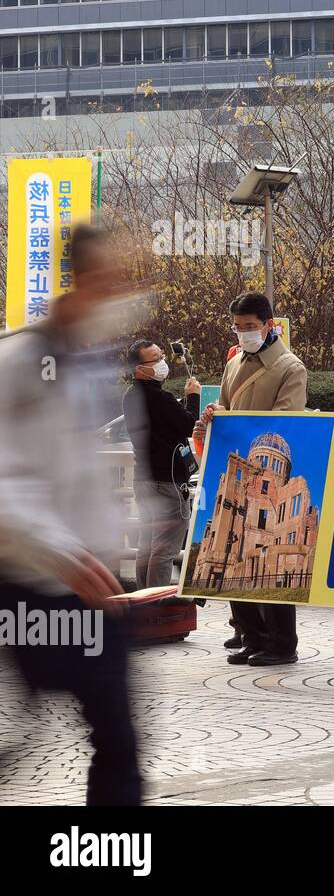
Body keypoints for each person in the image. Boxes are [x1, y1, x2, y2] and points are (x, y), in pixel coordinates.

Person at [0, 222, 141, 805]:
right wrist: (59, 552)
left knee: (117, 741)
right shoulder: (19, 361)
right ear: (73, 285)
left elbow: (83, 472)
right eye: (103, 282)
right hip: (33, 588)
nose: (113, 297)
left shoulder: (83, 365)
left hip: (91, 589)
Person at [194, 292, 308, 667]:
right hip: (236, 467)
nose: (244, 334)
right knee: (231, 549)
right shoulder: (233, 364)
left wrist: (236, 422)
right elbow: (226, 407)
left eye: (251, 327)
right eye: (238, 328)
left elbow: (287, 420)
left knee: (268, 552)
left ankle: (281, 642)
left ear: (269, 325)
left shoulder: (290, 367)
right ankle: (252, 635)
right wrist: (213, 415)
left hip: (267, 474)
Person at [122, 340, 202, 588]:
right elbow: (189, 424)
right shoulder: (160, 397)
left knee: (147, 546)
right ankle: (156, 606)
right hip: (168, 483)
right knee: (165, 549)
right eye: (154, 360)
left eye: (161, 357)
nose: (162, 363)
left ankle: (143, 602)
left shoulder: (130, 396)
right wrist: (193, 397)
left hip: (143, 480)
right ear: (138, 369)